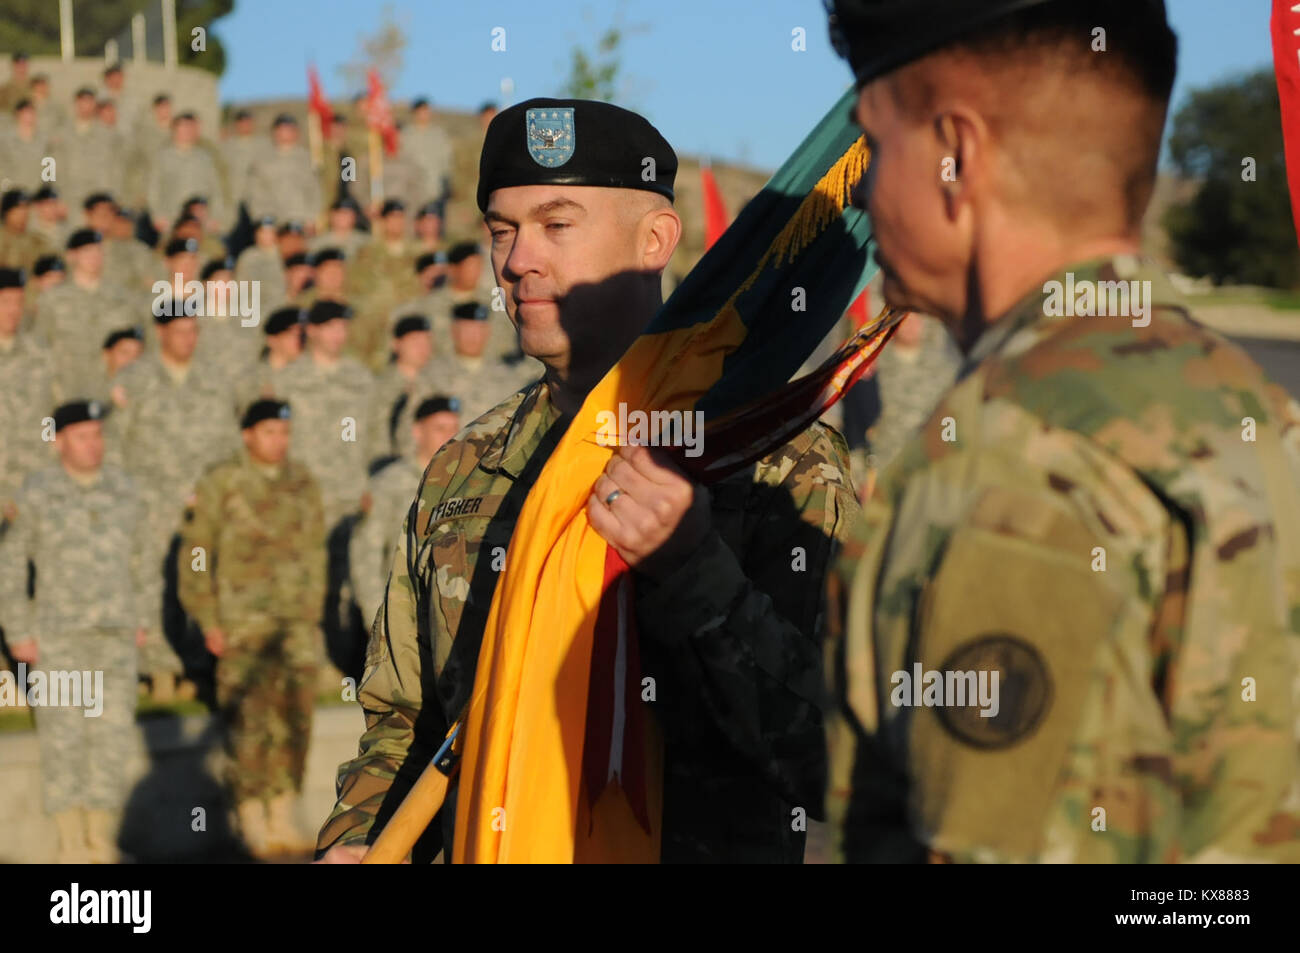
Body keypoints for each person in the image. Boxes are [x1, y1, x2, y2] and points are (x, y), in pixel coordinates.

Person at [317, 97, 860, 863]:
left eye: (555, 225)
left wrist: (695, 571)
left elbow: (834, 753)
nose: (517, 260)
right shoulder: (466, 468)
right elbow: (404, 716)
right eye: (501, 230)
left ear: (655, 241)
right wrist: (359, 839)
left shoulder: (774, 459)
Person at [822, 0, 1300, 863]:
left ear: (954, 156)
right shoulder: (1255, 407)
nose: (859, 188)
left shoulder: (1007, 456)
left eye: (872, 144)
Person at [0, 399, 149, 863]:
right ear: (59, 440)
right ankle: (69, 844)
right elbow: (9, 565)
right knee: (64, 739)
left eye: (98, 434)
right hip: (58, 638)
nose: (94, 444)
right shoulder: (36, 493)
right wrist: (19, 630)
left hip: (115, 635)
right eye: (83, 436)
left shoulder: (125, 489)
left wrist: (141, 617)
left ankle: (100, 839)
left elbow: (144, 560)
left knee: (111, 738)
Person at [179, 398, 326, 858]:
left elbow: (317, 549)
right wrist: (207, 618)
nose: (279, 442)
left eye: (283, 433)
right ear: (247, 435)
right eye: (268, 433)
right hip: (241, 623)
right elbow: (196, 553)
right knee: (248, 725)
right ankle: (251, 820)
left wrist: (313, 611)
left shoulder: (303, 481)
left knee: (295, 722)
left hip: (295, 626)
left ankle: (283, 813)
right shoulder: (223, 482)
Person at [107, 307, 240, 702]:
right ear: (161, 333)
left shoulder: (215, 380)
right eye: (180, 331)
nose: (188, 338)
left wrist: (218, 493)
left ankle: (196, 668)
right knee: (151, 583)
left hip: (202, 508)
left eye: (193, 331)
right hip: (149, 505)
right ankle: (159, 668)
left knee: (200, 582)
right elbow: (114, 444)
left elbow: (230, 446)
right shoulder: (134, 380)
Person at [349, 394, 461, 628]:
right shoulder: (388, 484)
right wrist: (377, 621)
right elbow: (366, 556)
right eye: (440, 428)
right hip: (402, 618)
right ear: (417, 432)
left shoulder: (470, 482)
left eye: (455, 427)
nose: (450, 436)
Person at [34, 228, 132, 401]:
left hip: (111, 390)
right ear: (72, 256)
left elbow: (133, 348)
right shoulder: (52, 300)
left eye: (98, 250)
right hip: (66, 390)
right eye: (87, 251)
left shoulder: (121, 298)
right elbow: (40, 345)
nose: (94, 257)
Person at [426, 301, 539, 424]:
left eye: (479, 330)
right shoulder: (432, 375)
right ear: (454, 331)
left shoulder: (509, 376)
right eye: (467, 330)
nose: (473, 336)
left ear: (488, 331)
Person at [0, 267, 54, 518]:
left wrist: (47, 449)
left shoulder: (39, 353)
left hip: (28, 478)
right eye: (5, 301)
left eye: (18, 302)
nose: (13, 310)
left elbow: (50, 412)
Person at [246, 114, 321, 231]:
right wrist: (262, 218)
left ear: (296, 132)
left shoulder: (308, 158)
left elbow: (315, 190)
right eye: (281, 130)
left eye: (289, 130)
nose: (285, 134)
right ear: (274, 132)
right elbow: (255, 192)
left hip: (300, 220)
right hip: (270, 220)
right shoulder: (261, 160)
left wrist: (312, 217)